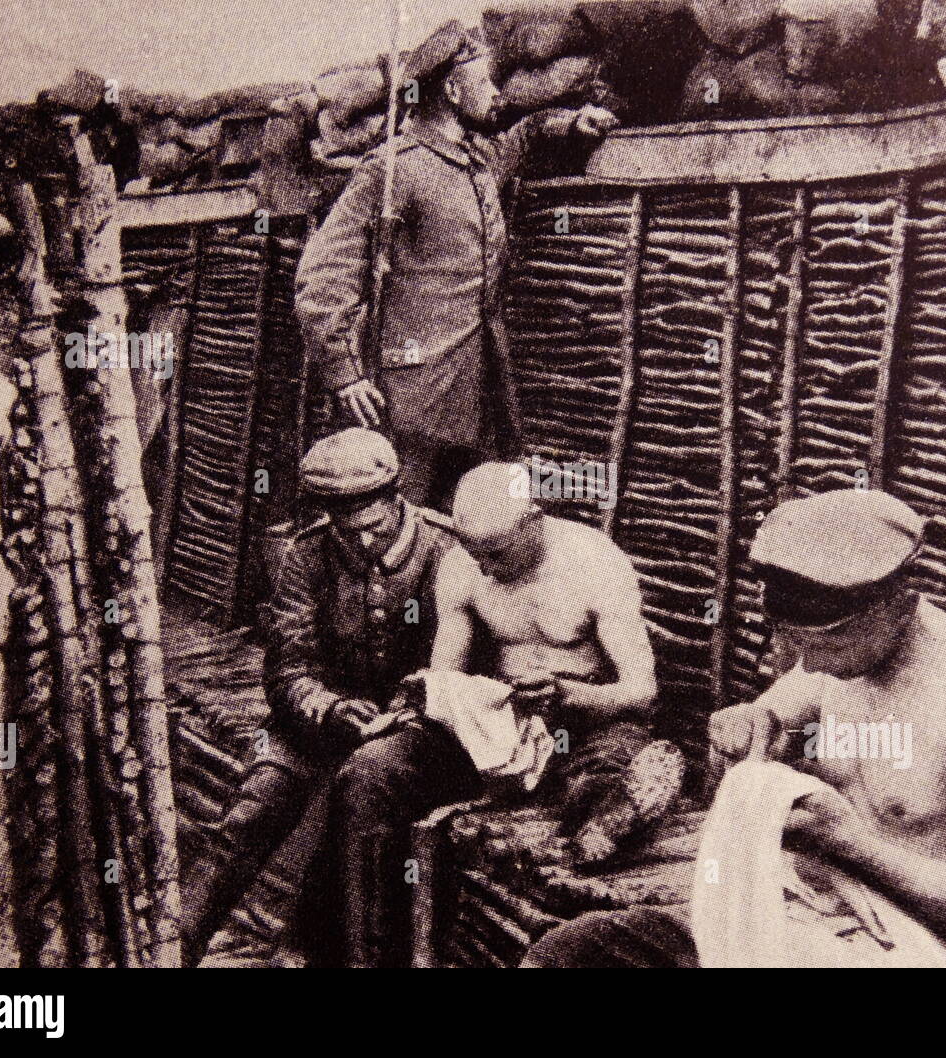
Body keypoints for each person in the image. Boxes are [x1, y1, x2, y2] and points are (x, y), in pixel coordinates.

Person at [523, 488, 946, 967]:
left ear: (900, 604)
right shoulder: (845, 652)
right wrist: (749, 721)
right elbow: (770, 713)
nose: (809, 667)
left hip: (908, 944)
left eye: (825, 647)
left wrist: (852, 844)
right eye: (797, 645)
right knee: (571, 954)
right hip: (804, 905)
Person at [318, 461, 685, 967]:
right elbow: (447, 672)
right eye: (474, 552)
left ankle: (613, 804)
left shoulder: (593, 562)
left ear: (534, 520)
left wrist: (567, 694)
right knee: (371, 771)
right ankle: (368, 956)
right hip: (502, 722)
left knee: (601, 770)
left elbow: (642, 692)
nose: (485, 568)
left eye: (496, 554)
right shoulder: (464, 567)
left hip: (586, 720)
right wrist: (422, 700)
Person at [295, 19, 621, 511]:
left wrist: (570, 124)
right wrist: (345, 372)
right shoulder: (393, 169)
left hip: (476, 386)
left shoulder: (474, 158)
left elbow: (524, 137)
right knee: (398, 521)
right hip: (412, 396)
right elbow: (322, 278)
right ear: (451, 88)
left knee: (474, 517)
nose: (495, 93)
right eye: (484, 80)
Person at [177, 428, 455, 967]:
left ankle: (327, 951)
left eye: (374, 529)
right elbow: (288, 669)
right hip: (318, 727)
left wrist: (406, 712)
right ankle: (174, 947)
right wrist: (328, 708)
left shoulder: (444, 550)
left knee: (362, 814)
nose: (363, 544)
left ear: (397, 498)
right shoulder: (306, 557)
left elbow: (459, 665)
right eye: (348, 532)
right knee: (250, 813)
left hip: (413, 728)